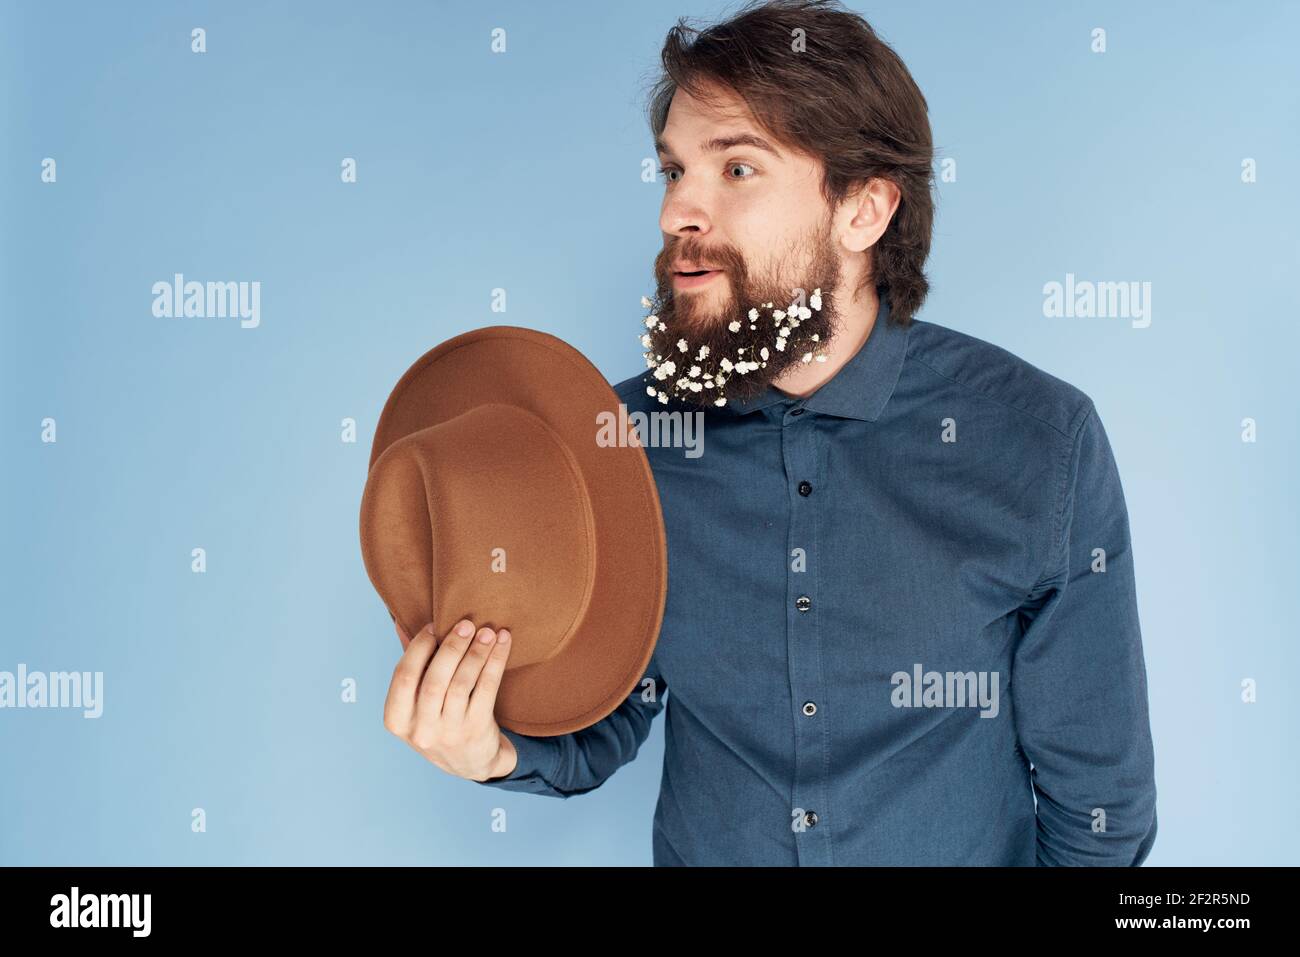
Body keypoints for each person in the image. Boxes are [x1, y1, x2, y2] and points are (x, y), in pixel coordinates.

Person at [382, 0, 1157, 866]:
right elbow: (611, 712)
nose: (680, 209)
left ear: (863, 211)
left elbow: (1100, 817)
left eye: (737, 170)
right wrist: (495, 752)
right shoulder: (619, 440)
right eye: (673, 170)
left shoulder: (1040, 441)